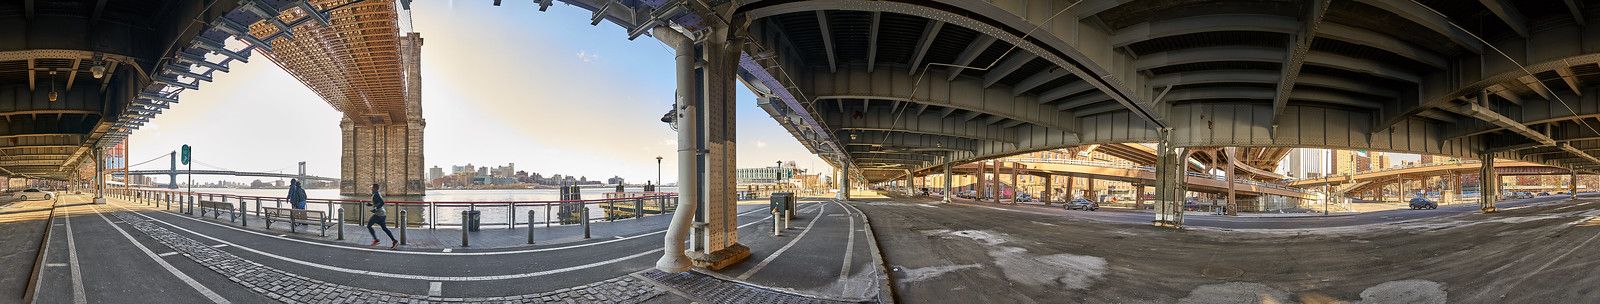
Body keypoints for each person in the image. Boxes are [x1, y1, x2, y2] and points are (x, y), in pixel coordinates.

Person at [366, 184, 397, 249]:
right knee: (384, 228)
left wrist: (375, 209)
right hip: (382, 214)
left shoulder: (376, 194)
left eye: (372, 187)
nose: (371, 188)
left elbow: (382, 202)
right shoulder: (376, 194)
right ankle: (394, 241)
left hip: (378, 214)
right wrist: (371, 204)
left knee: (369, 226)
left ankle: (376, 240)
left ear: (374, 188)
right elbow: (377, 203)